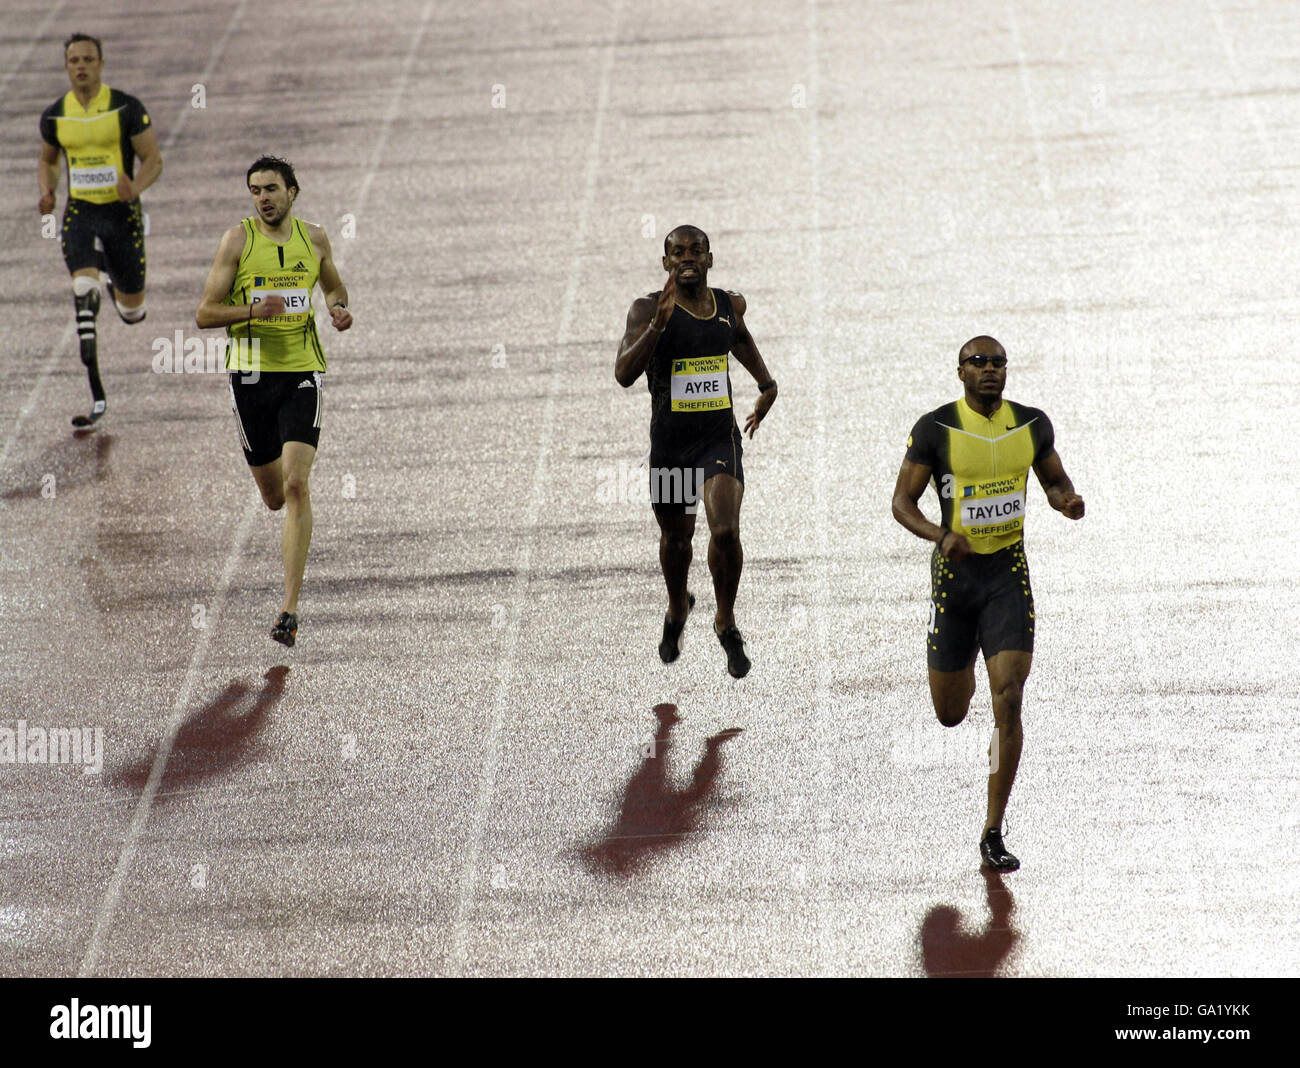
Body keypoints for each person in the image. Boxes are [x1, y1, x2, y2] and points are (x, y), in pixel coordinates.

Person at [891, 335, 1084, 871]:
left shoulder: (1031, 424)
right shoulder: (936, 429)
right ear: (960, 372)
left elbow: (1053, 476)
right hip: (955, 582)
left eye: (999, 362)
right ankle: (964, 657)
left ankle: (993, 829)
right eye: (979, 362)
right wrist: (938, 533)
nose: (991, 370)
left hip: (1006, 577)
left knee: (1010, 698)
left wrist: (1063, 498)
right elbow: (901, 502)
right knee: (951, 714)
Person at [195, 156, 352, 647]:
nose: (262, 198)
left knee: (297, 484)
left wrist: (338, 307)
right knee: (273, 497)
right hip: (251, 378)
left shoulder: (316, 238)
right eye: (255, 190)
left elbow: (333, 285)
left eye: (270, 189)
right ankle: (285, 547)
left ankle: (288, 609)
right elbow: (204, 313)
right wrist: (250, 309)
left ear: (293, 192)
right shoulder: (237, 241)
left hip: (302, 372)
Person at [615, 225, 777, 678]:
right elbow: (624, 374)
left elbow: (738, 337)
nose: (687, 257)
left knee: (724, 530)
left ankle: (725, 620)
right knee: (676, 540)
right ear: (665, 263)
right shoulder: (647, 308)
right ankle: (677, 606)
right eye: (677, 252)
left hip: (716, 440)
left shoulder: (727, 305)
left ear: (710, 259)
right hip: (670, 446)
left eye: (696, 250)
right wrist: (656, 328)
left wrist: (767, 384)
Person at [38, 32, 162, 427]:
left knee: (132, 312)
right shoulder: (55, 115)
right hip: (81, 214)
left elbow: (153, 160)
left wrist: (134, 189)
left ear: (101, 64)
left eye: (88, 59)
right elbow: (48, 160)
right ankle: (96, 393)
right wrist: (48, 190)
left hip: (121, 216)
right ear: (66, 66)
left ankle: (112, 280)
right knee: (81, 292)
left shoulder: (126, 108)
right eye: (74, 60)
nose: (81, 66)